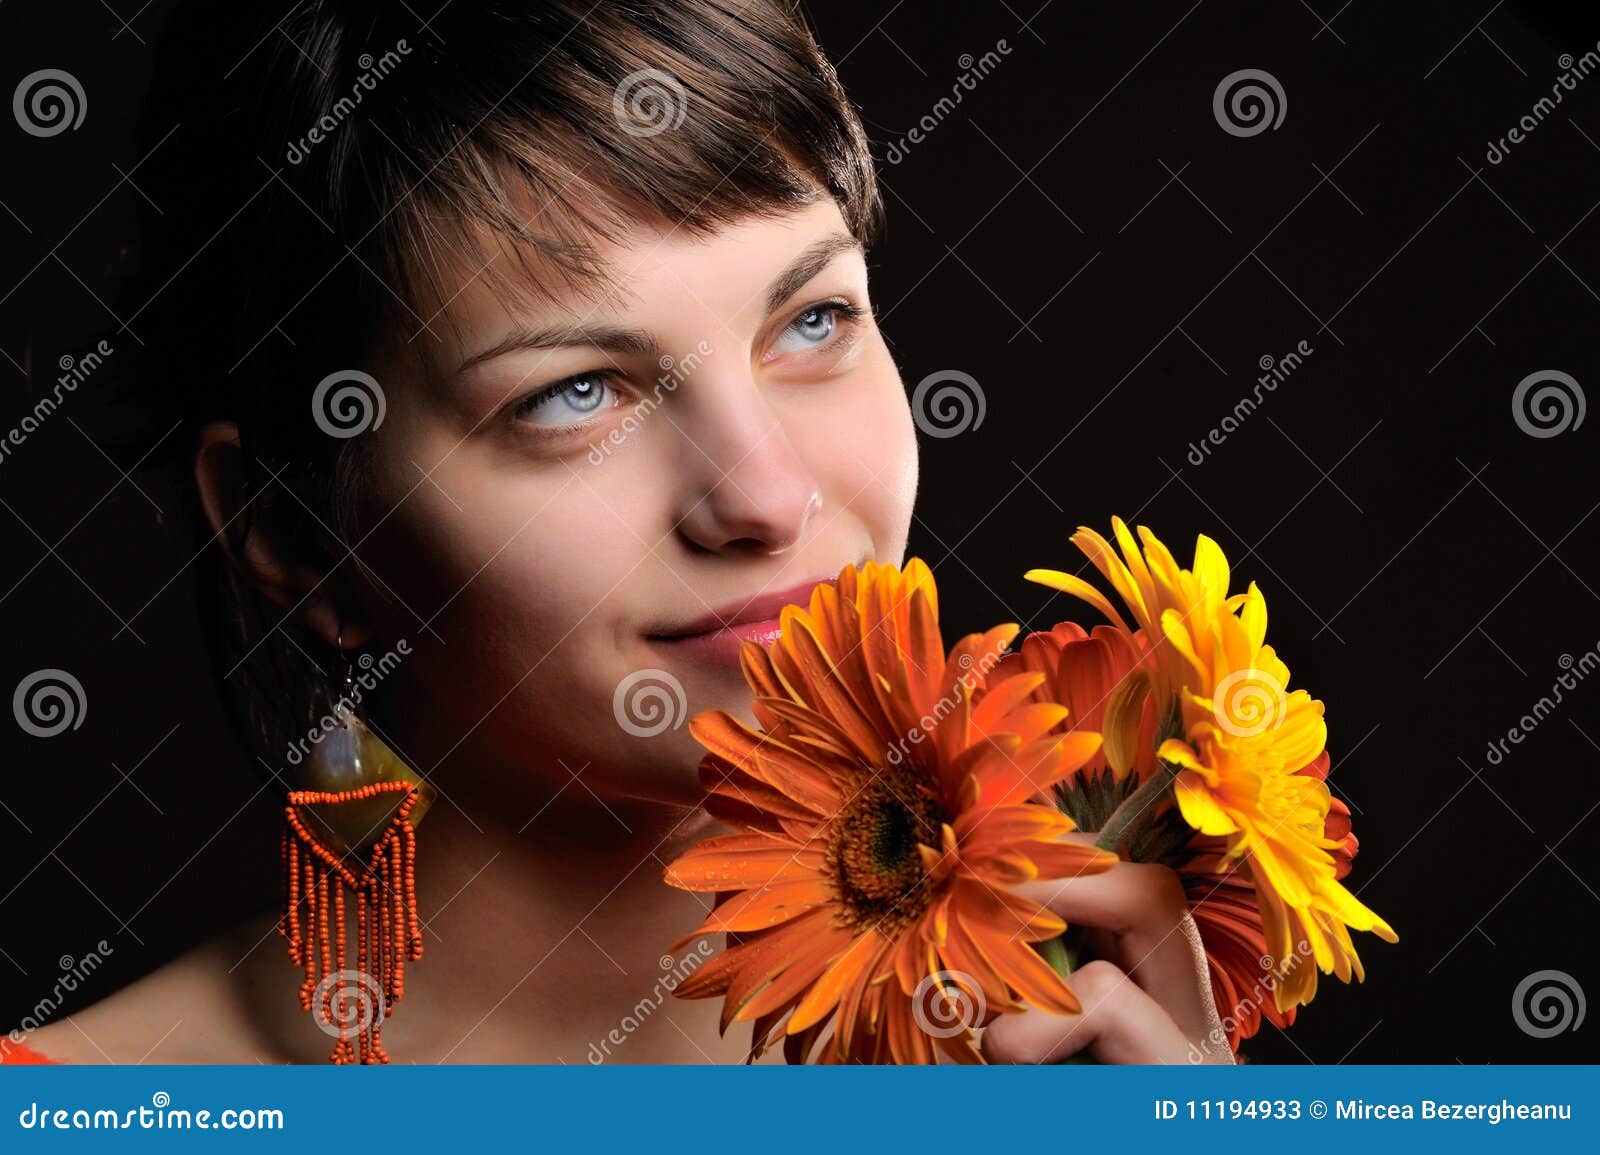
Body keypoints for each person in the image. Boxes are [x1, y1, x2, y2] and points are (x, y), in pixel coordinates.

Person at [5, 0, 1229, 1066]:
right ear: (294, 533)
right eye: (573, 394)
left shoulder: (1099, 1022)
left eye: (810, 321)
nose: (765, 494)